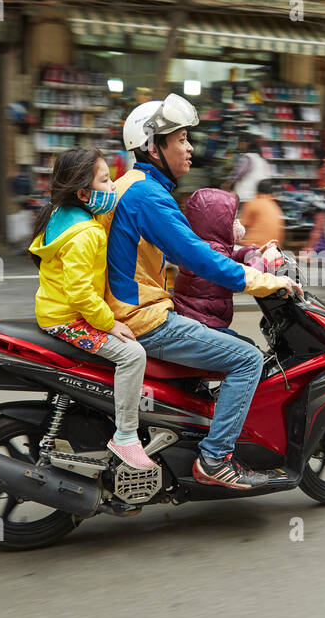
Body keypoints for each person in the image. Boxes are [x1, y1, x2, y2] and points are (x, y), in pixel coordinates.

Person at [104, 94, 301, 491]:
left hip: (134, 309)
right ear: (152, 147)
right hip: (144, 318)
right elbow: (199, 259)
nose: (189, 147)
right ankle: (215, 459)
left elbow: (191, 246)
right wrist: (269, 281)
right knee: (246, 359)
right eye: (180, 139)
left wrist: (242, 248)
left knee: (230, 342)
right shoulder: (147, 196)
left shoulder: (134, 186)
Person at [27, 147, 154, 470]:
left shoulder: (64, 215)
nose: (113, 186)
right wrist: (108, 323)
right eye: (106, 180)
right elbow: (80, 293)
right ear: (83, 193)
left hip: (55, 310)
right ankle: (125, 435)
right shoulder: (84, 234)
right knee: (132, 354)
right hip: (68, 319)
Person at [173, 187, 278, 339]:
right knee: (250, 351)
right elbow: (236, 274)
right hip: (203, 322)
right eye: (232, 220)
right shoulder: (211, 249)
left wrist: (256, 252)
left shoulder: (206, 245)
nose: (237, 224)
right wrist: (265, 263)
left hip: (199, 317)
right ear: (216, 222)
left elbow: (228, 260)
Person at [224, 132, 272, 202]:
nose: (238, 145)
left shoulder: (247, 158)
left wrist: (227, 184)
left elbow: (236, 174)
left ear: (245, 143)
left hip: (244, 196)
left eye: (239, 142)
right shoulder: (262, 159)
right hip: (258, 197)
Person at [239, 178, 285, 248]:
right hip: (273, 251)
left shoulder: (252, 204)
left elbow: (239, 229)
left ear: (257, 191)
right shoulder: (277, 209)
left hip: (254, 249)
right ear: (272, 194)